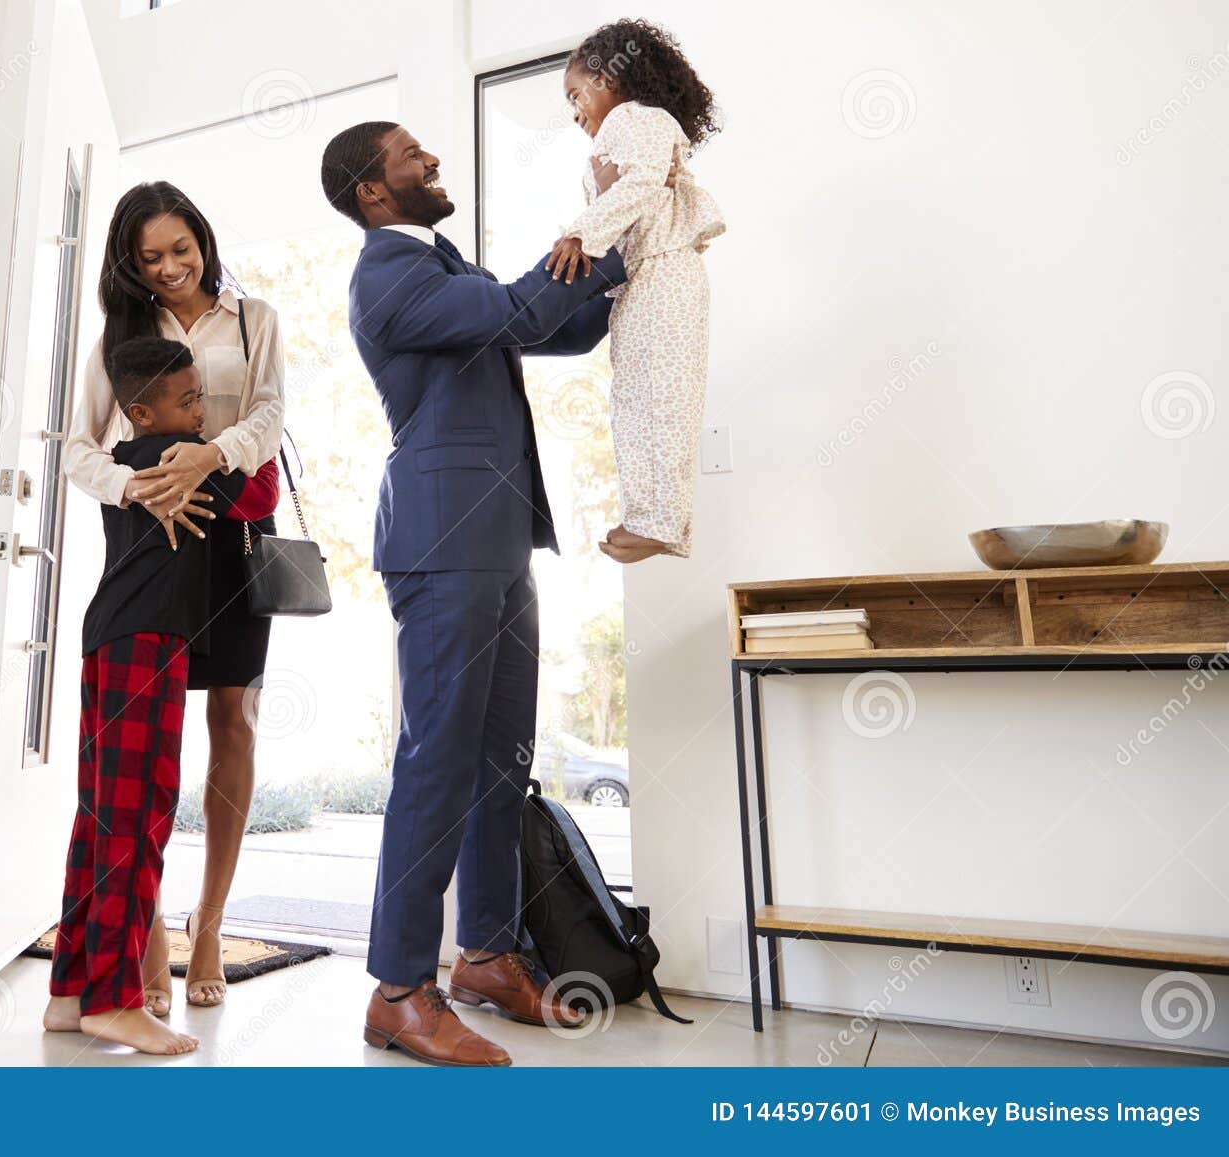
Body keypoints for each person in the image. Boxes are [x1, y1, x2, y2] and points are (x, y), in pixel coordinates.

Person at [320, 120, 623, 1066]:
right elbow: (523, 311)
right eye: (412, 154)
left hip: (496, 541)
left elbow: (556, 322)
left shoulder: (447, 271)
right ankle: (398, 989)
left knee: (501, 759)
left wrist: (627, 253)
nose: (432, 160)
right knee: (438, 762)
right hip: (443, 543)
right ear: (374, 191)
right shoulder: (390, 276)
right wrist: (601, 223)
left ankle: (487, 954)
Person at [64, 182, 286, 1010]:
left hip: (233, 543)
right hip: (153, 548)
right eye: (149, 258)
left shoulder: (253, 318)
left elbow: (270, 413)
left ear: (203, 237)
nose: (168, 269)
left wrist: (212, 453)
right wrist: (136, 489)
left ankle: (213, 925)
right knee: (144, 747)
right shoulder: (119, 337)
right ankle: (148, 935)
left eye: (179, 250)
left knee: (235, 719)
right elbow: (77, 449)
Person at [45, 338, 279, 1055]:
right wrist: (218, 446)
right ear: (141, 412)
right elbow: (263, 489)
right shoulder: (179, 458)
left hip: (111, 637)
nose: (201, 414)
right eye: (188, 402)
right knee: (138, 817)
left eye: (201, 399)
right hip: (146, 641)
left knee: (100, 818)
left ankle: (70, 991)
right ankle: (114, 999)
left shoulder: (124, 461)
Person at [548, 18, 725, 564]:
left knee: (662, 400)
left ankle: (662, 521)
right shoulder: (626, 127)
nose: (575, 110)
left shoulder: (635, 117)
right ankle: (651, 516)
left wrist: (582, 230)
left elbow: (645, 182)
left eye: (577, 94)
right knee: (637, 401)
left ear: (611, 79)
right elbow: (638, 191)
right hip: (645, 277)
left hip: (665, 272)